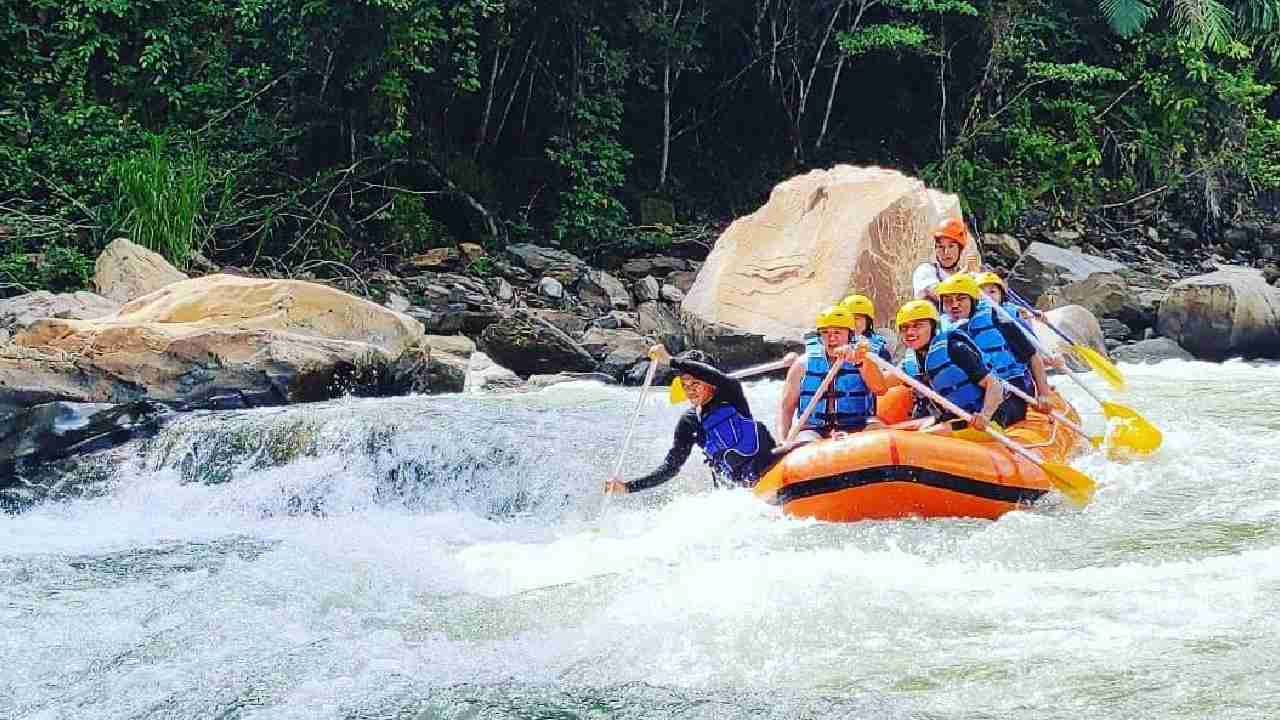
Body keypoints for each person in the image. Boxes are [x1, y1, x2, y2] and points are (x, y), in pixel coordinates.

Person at [604, 346, 777, 495]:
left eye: (695, 383)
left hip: (767, 470)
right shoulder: (689, 422)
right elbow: (671, 467)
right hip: (734, 488)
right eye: (685, 385)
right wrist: (628, 487)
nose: (690, 390)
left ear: (711, 382)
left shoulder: (731, 393)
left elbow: (713, 375)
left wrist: (670, 360)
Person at [856, 299, 1004, 433]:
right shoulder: (912, 362)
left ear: (933, 327)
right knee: (881, 429)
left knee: (921, 436)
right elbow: (880, 386)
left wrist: (985, 415)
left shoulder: (954, 348)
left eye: (918, 326)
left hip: (976, 420)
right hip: (950, 419)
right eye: (904, 328)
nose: (910, 332)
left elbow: (994, 384)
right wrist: (865, 359)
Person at [933, 273, 1053, 425]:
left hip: (1012, 391)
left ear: (973, 300)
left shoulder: (997, 320)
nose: (954, 305)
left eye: (961, 299)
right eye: (948, 301)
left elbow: (1033, 356)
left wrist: (1044, 394)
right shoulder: (943, 333)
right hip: (976, 393)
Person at [779, 304, 889, 441]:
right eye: (826, 332)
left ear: (850, 335)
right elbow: (787, 407)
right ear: (820, 336)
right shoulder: (802, 364)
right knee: (805, 440)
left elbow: (880, 389)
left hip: (858, 424)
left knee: (879, 433)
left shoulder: (863, 358)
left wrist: (860, 362)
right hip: (814, 428)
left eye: (837, 332)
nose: (831, 338)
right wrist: (783, 440)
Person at [913, 218, 980, 303]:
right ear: (935, 249)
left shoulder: (968, 275)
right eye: (941, 247)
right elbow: (938, 293)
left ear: (960, 249)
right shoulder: (925, 270)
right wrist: (965, 272)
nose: (946, 252)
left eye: (951, 246)